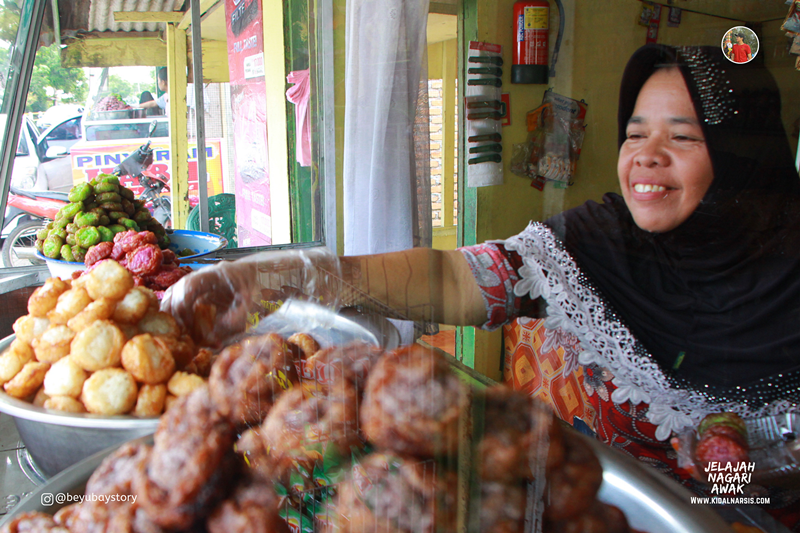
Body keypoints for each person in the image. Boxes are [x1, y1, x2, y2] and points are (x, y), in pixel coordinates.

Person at [162, 45, 800, 525]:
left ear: (745, 157)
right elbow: (451, 276)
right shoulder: (602, 237)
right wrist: (289, 275)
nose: (646, 157)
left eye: (683, 138)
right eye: (635, 134)